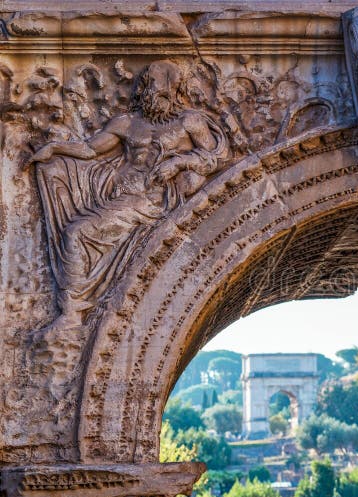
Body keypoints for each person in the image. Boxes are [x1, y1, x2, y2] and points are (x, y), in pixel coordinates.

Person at [30, 60, 228, 329]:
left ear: (174, 89)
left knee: (76, 233)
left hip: (155, 200)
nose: (150, 92)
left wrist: (179, 162)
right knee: (74, 233)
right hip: (122, 198)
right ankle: (73, 310)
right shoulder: (126, 123)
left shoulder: (189, 122)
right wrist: (54, 149)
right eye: (148, 86)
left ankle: (71, 313)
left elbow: (214, 158)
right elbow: (90, 149)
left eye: (158, 87)